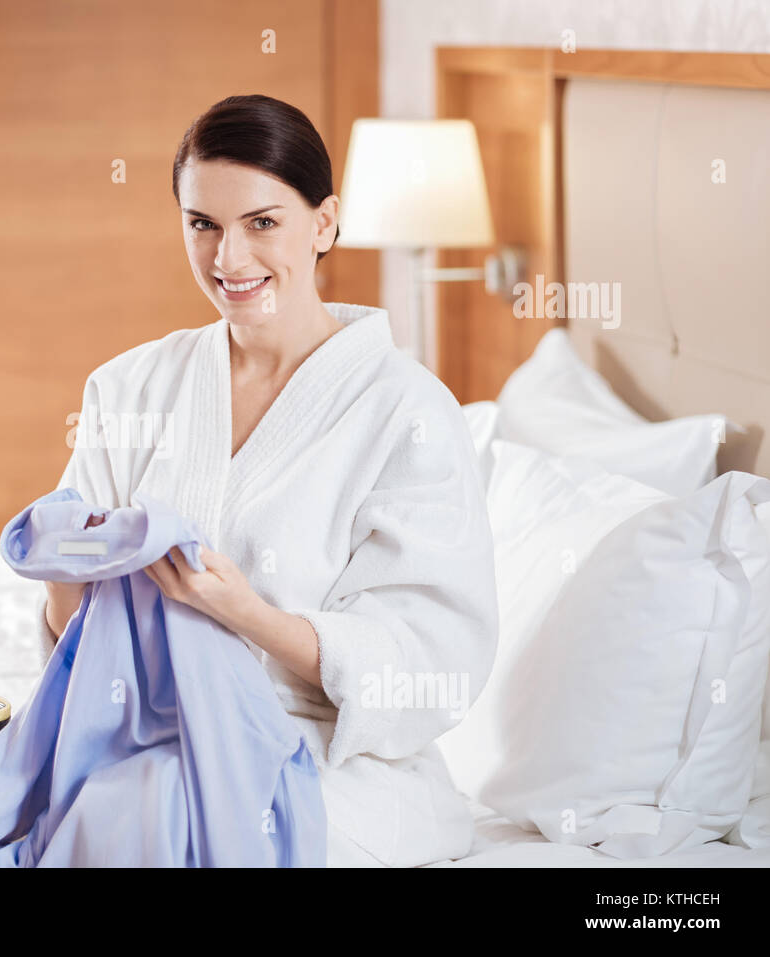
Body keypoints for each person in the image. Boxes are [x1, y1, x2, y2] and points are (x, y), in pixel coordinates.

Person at [36, 93, 499, 867]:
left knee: (149, 816)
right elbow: (71, 644)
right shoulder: (128, 388)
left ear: (324, 223)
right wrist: (62, 573)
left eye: (262, 223)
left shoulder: (408, 410)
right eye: (203, 224)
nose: (229, 260)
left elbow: (429, 663)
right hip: (142, 730)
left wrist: (246, 612)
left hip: (326, 759)